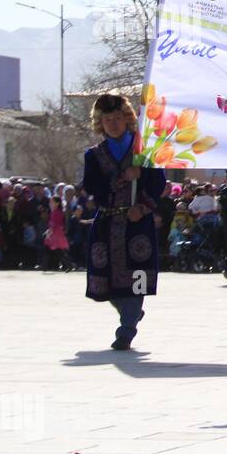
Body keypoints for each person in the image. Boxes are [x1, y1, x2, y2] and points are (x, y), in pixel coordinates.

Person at [82, 93, 166, 349]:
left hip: (137, 222)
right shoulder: (93, 154)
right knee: (105, 281)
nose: (113, 124)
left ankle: (127, 328)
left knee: (136, 277)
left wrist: (141, 186)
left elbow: (158, 185)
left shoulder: (145, 150)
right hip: (107, 222)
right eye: (107, 120)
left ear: (127, 119)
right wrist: (117, 180)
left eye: (117, 118)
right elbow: (91, 186)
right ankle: (129, 313)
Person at [44, 195, 70, 271]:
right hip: (55, 232)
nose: (50, 203)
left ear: (57, 203)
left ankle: (69, 265)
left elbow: (54, 223)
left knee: (58, 251)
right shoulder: (55, 212)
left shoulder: (57, 212)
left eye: (52, 202)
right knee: (57, 251)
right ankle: (45, 266)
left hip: (56, 233)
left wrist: (49, 232)